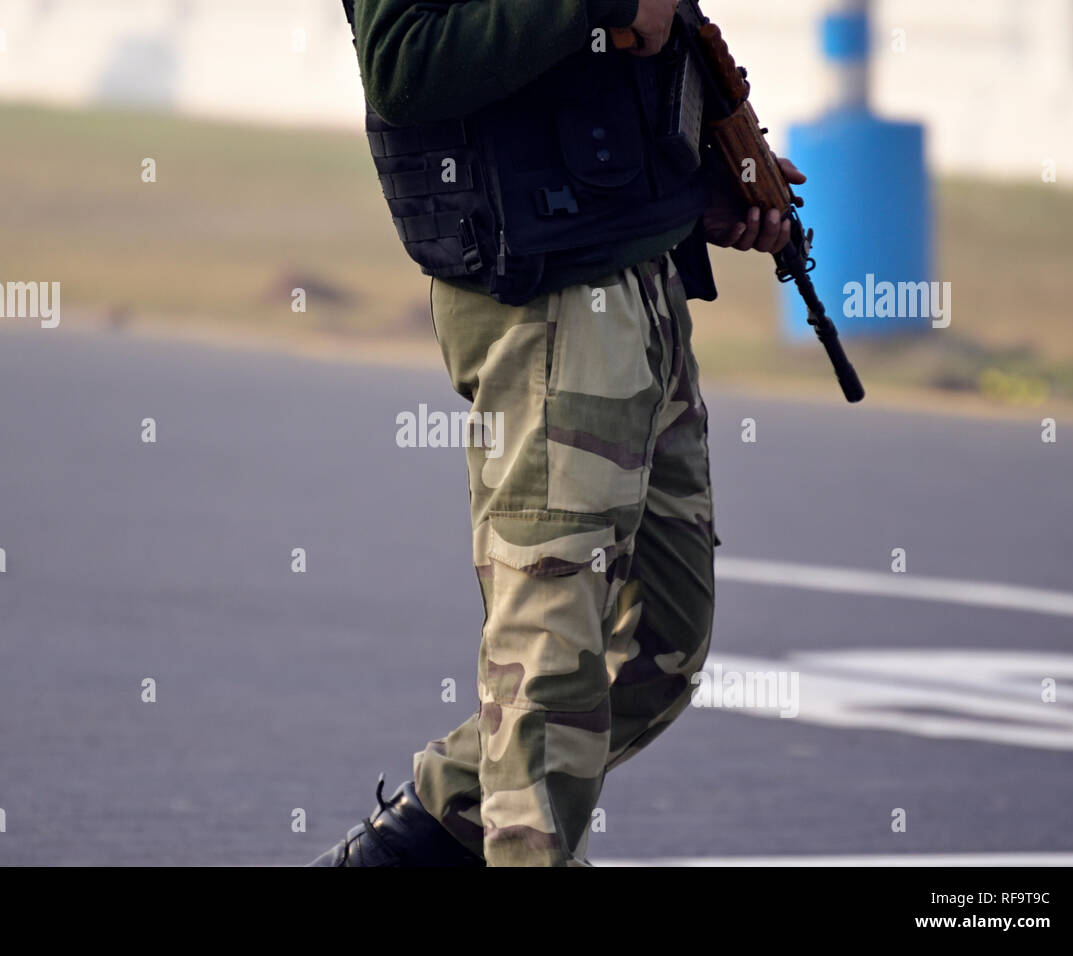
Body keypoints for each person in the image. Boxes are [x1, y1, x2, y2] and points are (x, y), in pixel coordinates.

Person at [311, 0, 805, 867]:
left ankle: (415, 845)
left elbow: (638, 53)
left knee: (658, 651)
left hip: (639, 274)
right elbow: (405, 64)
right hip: (545, 300)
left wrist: (699, 182)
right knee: (549, 654)